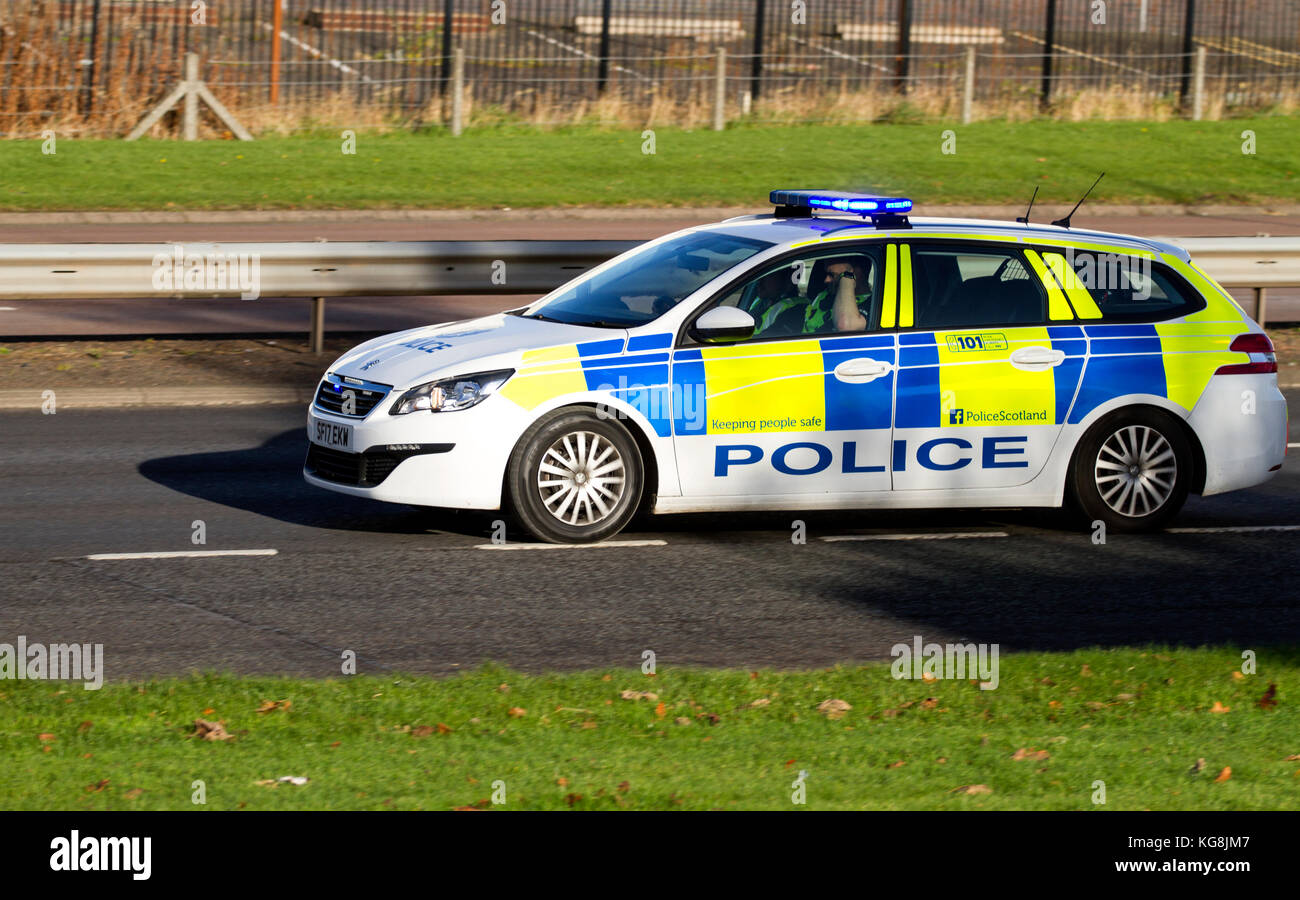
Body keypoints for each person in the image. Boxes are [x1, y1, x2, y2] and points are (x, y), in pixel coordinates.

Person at [803, 257, 873, 333]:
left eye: (832, 274)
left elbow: (846, 326)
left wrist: (848, 275)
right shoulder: (824, 294)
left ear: (855, 274)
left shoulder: (873, 304)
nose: (826, 280)